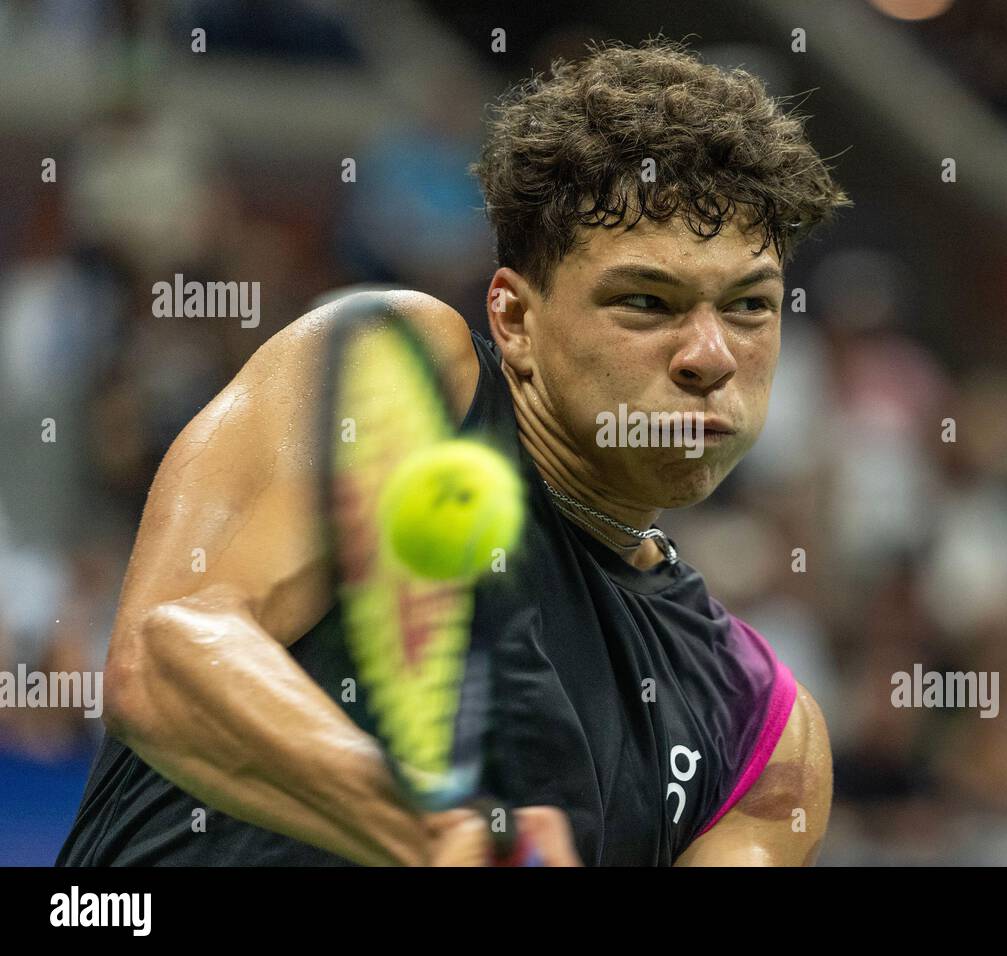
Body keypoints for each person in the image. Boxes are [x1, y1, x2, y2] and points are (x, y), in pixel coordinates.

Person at [57, 38, 849, 867]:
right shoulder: (403, 370)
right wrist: (432, 827)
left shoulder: (765, 735)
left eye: (751, 306)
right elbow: (163, 655)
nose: (711, 357)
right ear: (514, 321)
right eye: (648, 301)